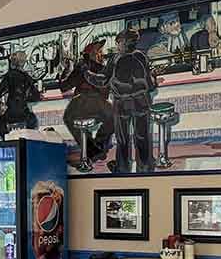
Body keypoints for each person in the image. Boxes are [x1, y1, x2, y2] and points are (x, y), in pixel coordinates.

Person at [84, 25, 156, 173]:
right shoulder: (141, 56)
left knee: (122, 139)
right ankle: (145, 168)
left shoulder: (115, 59)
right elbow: (149, 85)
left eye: (118, 43)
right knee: (142, 136)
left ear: (123, 43)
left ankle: (122, 168)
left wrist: (86, 73)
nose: (117, 46)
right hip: (142, 101)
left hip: (122, 103)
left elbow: (102, 81)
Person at [58, 39, 114, 167]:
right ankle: (98, 147)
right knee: (113, 117)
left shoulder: (80, 68)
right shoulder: (102, 68)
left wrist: (65, 71)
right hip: (97, 103)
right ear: (91, 54)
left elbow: (64, 87)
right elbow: (108, 89)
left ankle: (93, 149)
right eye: (99, 51)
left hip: (80, 103)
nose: (102, 54)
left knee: (69, 118)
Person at [0, 51, 41, 139]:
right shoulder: (27, 77)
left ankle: (7, 140)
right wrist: (26, 98)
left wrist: (0, 106)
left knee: (0, 124)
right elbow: (36, 96)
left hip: (11, 112)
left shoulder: (9, 75)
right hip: (23, 112)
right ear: (23, 63)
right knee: (33, 121)